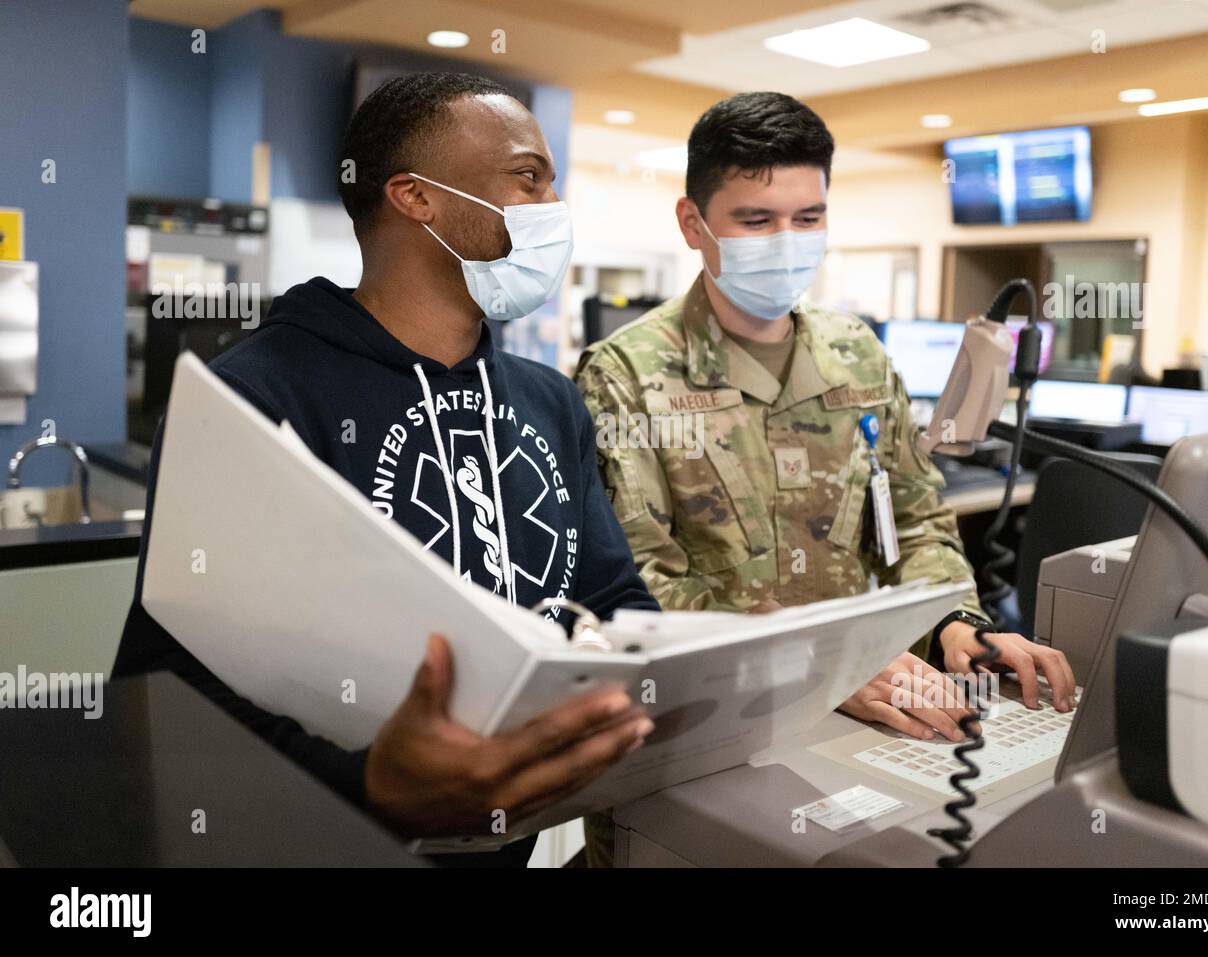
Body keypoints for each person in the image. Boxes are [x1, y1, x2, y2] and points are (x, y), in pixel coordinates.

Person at [114, 72, 657, 867]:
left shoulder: (550, 403)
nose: (553, 208)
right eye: (527, 176)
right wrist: (371, 787)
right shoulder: (254, 394)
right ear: (416, 197)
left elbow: (612, 599)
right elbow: (166, 681)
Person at [576, 91, 1077, 751]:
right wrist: (816, 664)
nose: (788, 242)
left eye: (808, 217)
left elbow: (918, 520)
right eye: (756, 220)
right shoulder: (625, 375)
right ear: (692, 223)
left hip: (868, 721)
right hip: (705, 731)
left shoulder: (857, 354)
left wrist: (956, 625)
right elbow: (638, 586)